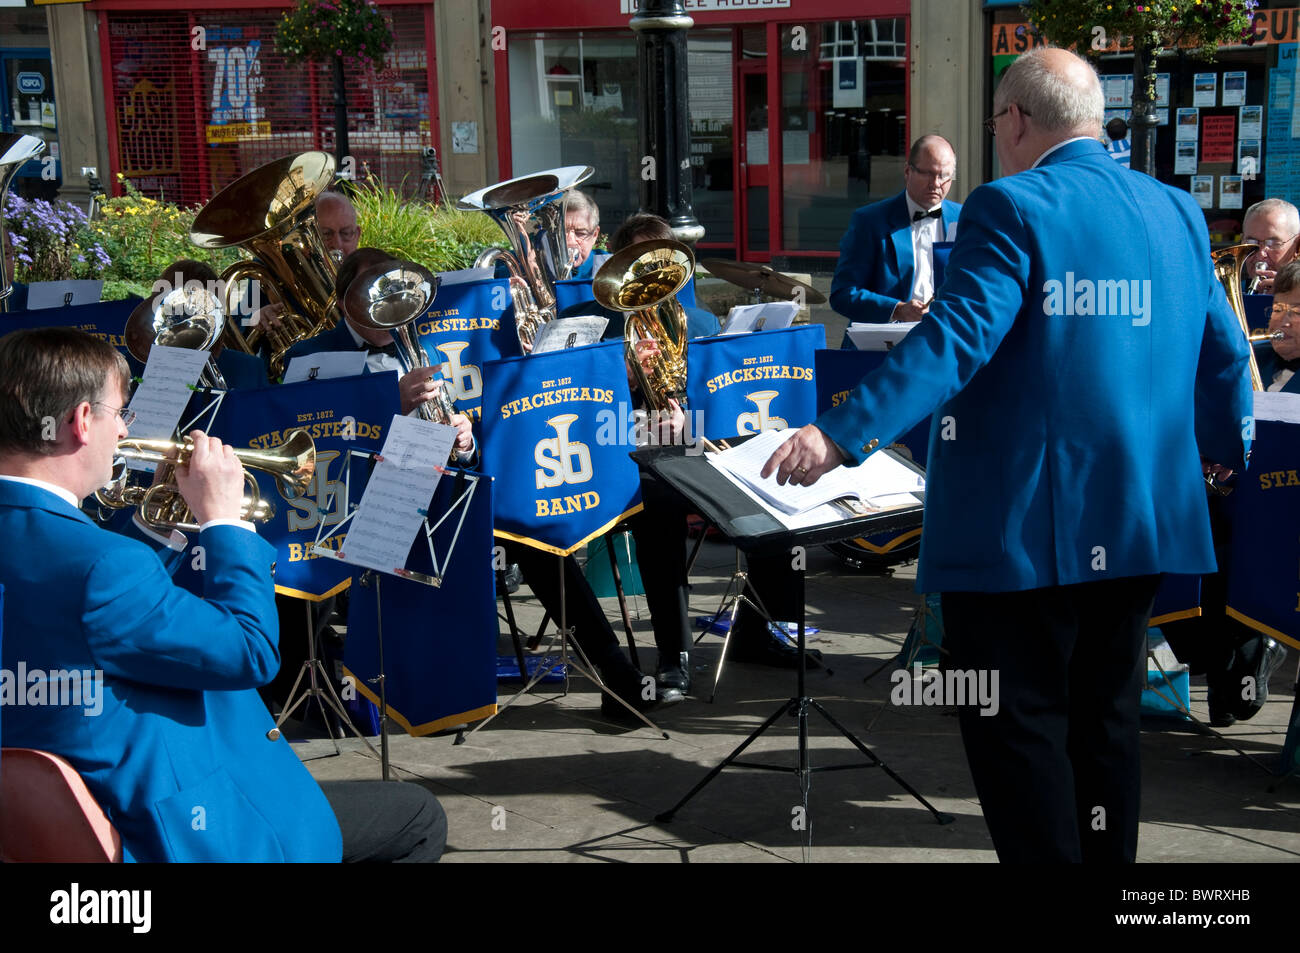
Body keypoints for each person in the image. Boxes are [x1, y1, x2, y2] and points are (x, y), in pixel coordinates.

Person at [762, 47, 1252, 863]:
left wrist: (841, 431)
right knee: (1107, 722)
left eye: (996, 123)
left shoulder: (1011, 205)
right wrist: (1216, 455)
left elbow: (956, 339)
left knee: (1017, 726)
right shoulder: (1179, 210)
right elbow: (1227, 353)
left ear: (1018, 119)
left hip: (1029, 532)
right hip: (1142, 521)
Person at [0, 327, 446, 862]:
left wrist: (159, 525)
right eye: (120, 413)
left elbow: (97, 604)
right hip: (170, 832)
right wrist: (226, 524)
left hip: (43, 822)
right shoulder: (105, 567)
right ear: (80, 421)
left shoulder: (93, 559)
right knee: (418, 816)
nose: (124, 431)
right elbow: (250, 651)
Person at [1163, 260, 1298, 725]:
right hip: (1238, 505)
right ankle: (1225, 661)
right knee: (1188, 548)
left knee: (1238, 556)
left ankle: (1244, 661)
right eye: (1279, 307)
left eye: (1297, 310)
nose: (1283, 320)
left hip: (1288, 521)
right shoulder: (1251, 360)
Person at [829, 135, 962, 332]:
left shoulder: (964, 218)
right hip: (883, 345)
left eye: (944, 176)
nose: (936, 183)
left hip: (944, 341)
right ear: (908, 171)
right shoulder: (870, 221)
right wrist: (897, 310)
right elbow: (842, 294)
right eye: (928, 174)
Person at [1241, 198, 1299, 294]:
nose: (1260, 255)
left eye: (1272, 244)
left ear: (1297, 246)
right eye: (1251, 242)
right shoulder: (1227, 295)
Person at [564, 190, 602, 280]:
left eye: (580, 233)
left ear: (594, 235)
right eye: (562, 232)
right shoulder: (536, 267)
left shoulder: (612, 268)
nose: (570, 241)